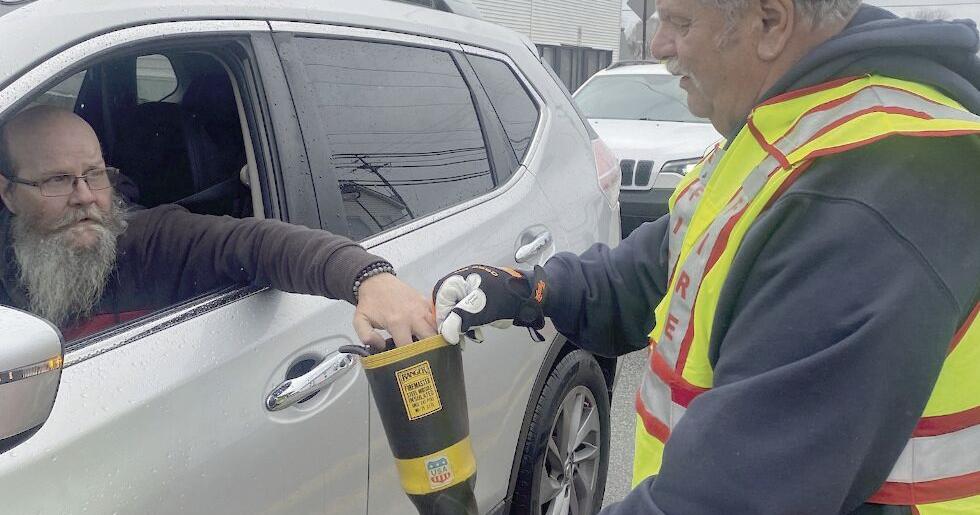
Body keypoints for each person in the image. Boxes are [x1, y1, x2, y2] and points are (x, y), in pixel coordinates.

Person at [433, 2, 980, 514]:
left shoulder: (868, 184)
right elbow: (662, 264)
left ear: (769, 21)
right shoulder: (787, 128)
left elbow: (731, 495)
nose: (658, 43)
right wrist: (534, 291)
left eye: (681, 22)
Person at [0, 105, 435, 347]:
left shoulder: (148, 240)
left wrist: (368, 279)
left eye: (94, 174)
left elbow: (257, 242)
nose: (86, 197)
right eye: (57, 180)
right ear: (8, 193)